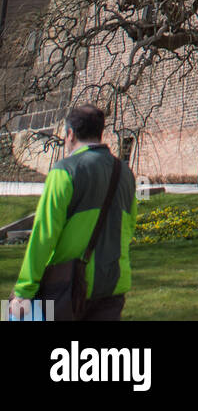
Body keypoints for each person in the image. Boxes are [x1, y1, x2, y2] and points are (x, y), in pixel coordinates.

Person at [8, 103, 138, 321]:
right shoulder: (125, 173)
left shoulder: (65, 171)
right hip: (112, 286)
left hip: (65, 285)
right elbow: (129, 227)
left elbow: (44, 234)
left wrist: (23, 291)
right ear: (100, 133)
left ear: (70, 134)